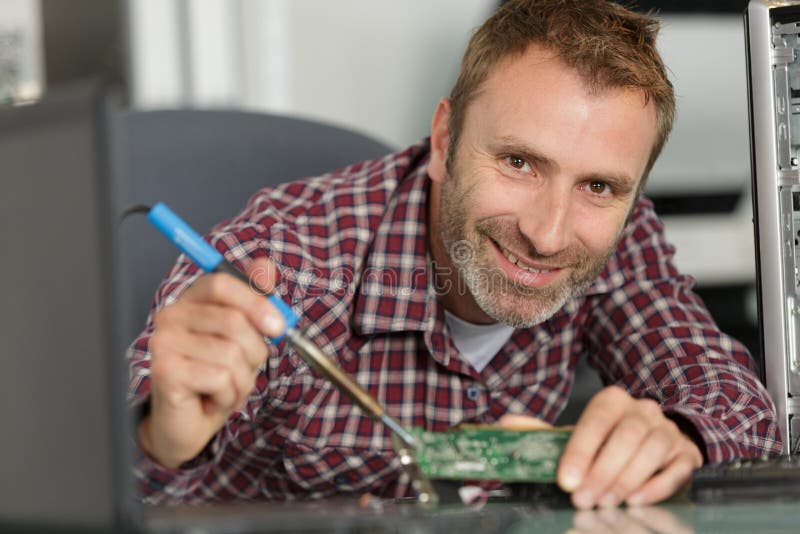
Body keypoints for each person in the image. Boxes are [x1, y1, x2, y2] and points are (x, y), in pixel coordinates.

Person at [128, 0, 781, 509]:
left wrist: (679, 437)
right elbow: (100, 481)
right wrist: (160, 437)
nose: (550, 235)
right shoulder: (281, 259)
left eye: (599, 186)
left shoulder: (616, 235)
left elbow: (733, 400)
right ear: (444, 140)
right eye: (520, 162)